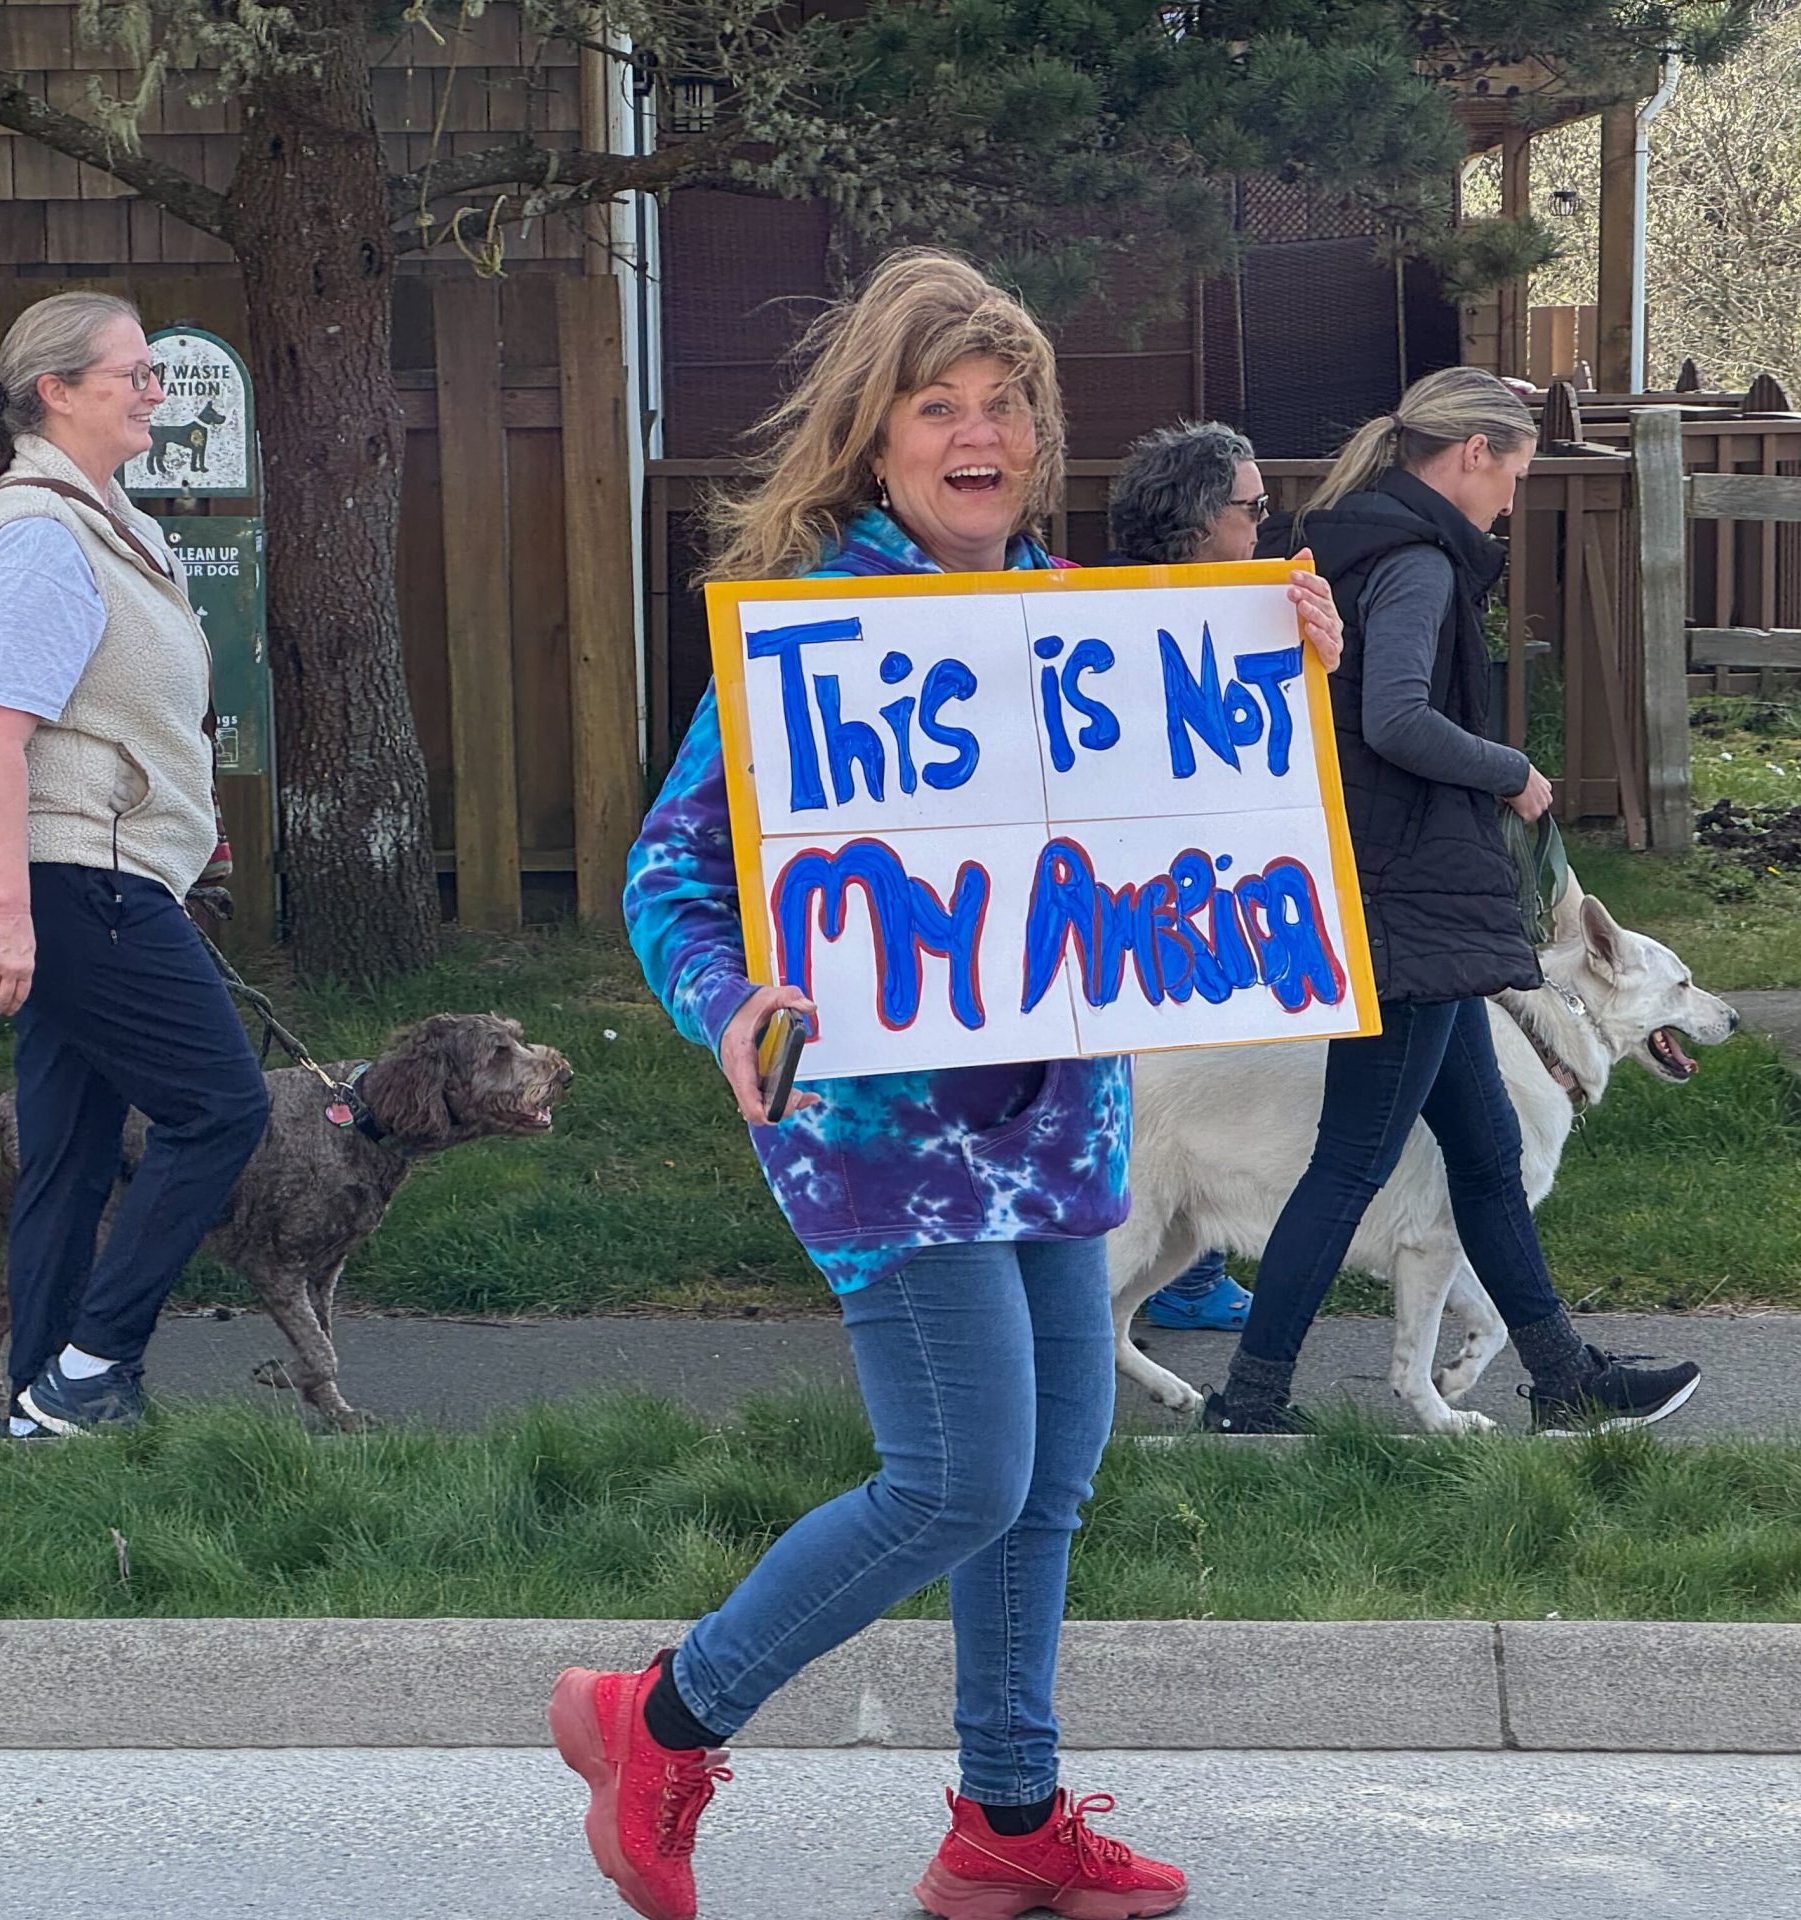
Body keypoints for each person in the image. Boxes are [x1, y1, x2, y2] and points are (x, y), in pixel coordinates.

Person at [549, 250, 1343, 1920]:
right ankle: (662, 1716)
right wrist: (724, 1002)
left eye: (1004, 407)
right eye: (939, 408)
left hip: (1058, 1127)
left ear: (1042, 437)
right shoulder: (818, 639)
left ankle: (1007, 1817)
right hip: (883, 1137)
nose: (974, 436)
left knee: (1054, 1470)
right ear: (880, 435)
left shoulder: (1086, 623)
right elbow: (669, 878)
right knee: (960, 1477)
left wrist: (1281, 687)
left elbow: (1181, 847)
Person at [1201, 365, 1702, 1437]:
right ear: (1471, 454)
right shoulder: (1419, 562)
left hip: (1402, 900)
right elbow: (1394, 719)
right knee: (1352, 1160)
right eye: (1513, 471)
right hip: (1407, 907)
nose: (1513, 498)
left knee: (1482, 1159)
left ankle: (1564, 1380)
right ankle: (1250, 1403)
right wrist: (1509, 770)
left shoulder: (1367, 545)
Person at [0, 291, 267, 1438]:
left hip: (94, 869)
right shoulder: (36, 536)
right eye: (134, 374)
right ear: (58, 392)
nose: (154, 392)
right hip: (62, 877)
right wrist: (9, 920)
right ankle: (90, 1369)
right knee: (218, 1107)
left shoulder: (105, 517)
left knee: (66, 1147)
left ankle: (33, 1406)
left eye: (157, 374)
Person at [1099, 419, 1280, 1334]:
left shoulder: (1249, 610)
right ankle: (1162, 1267)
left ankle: (1182, 1262)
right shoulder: (1131, 621)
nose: (1262, 526)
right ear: (1202, 519)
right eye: (1252, 509)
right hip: (1138, 900)